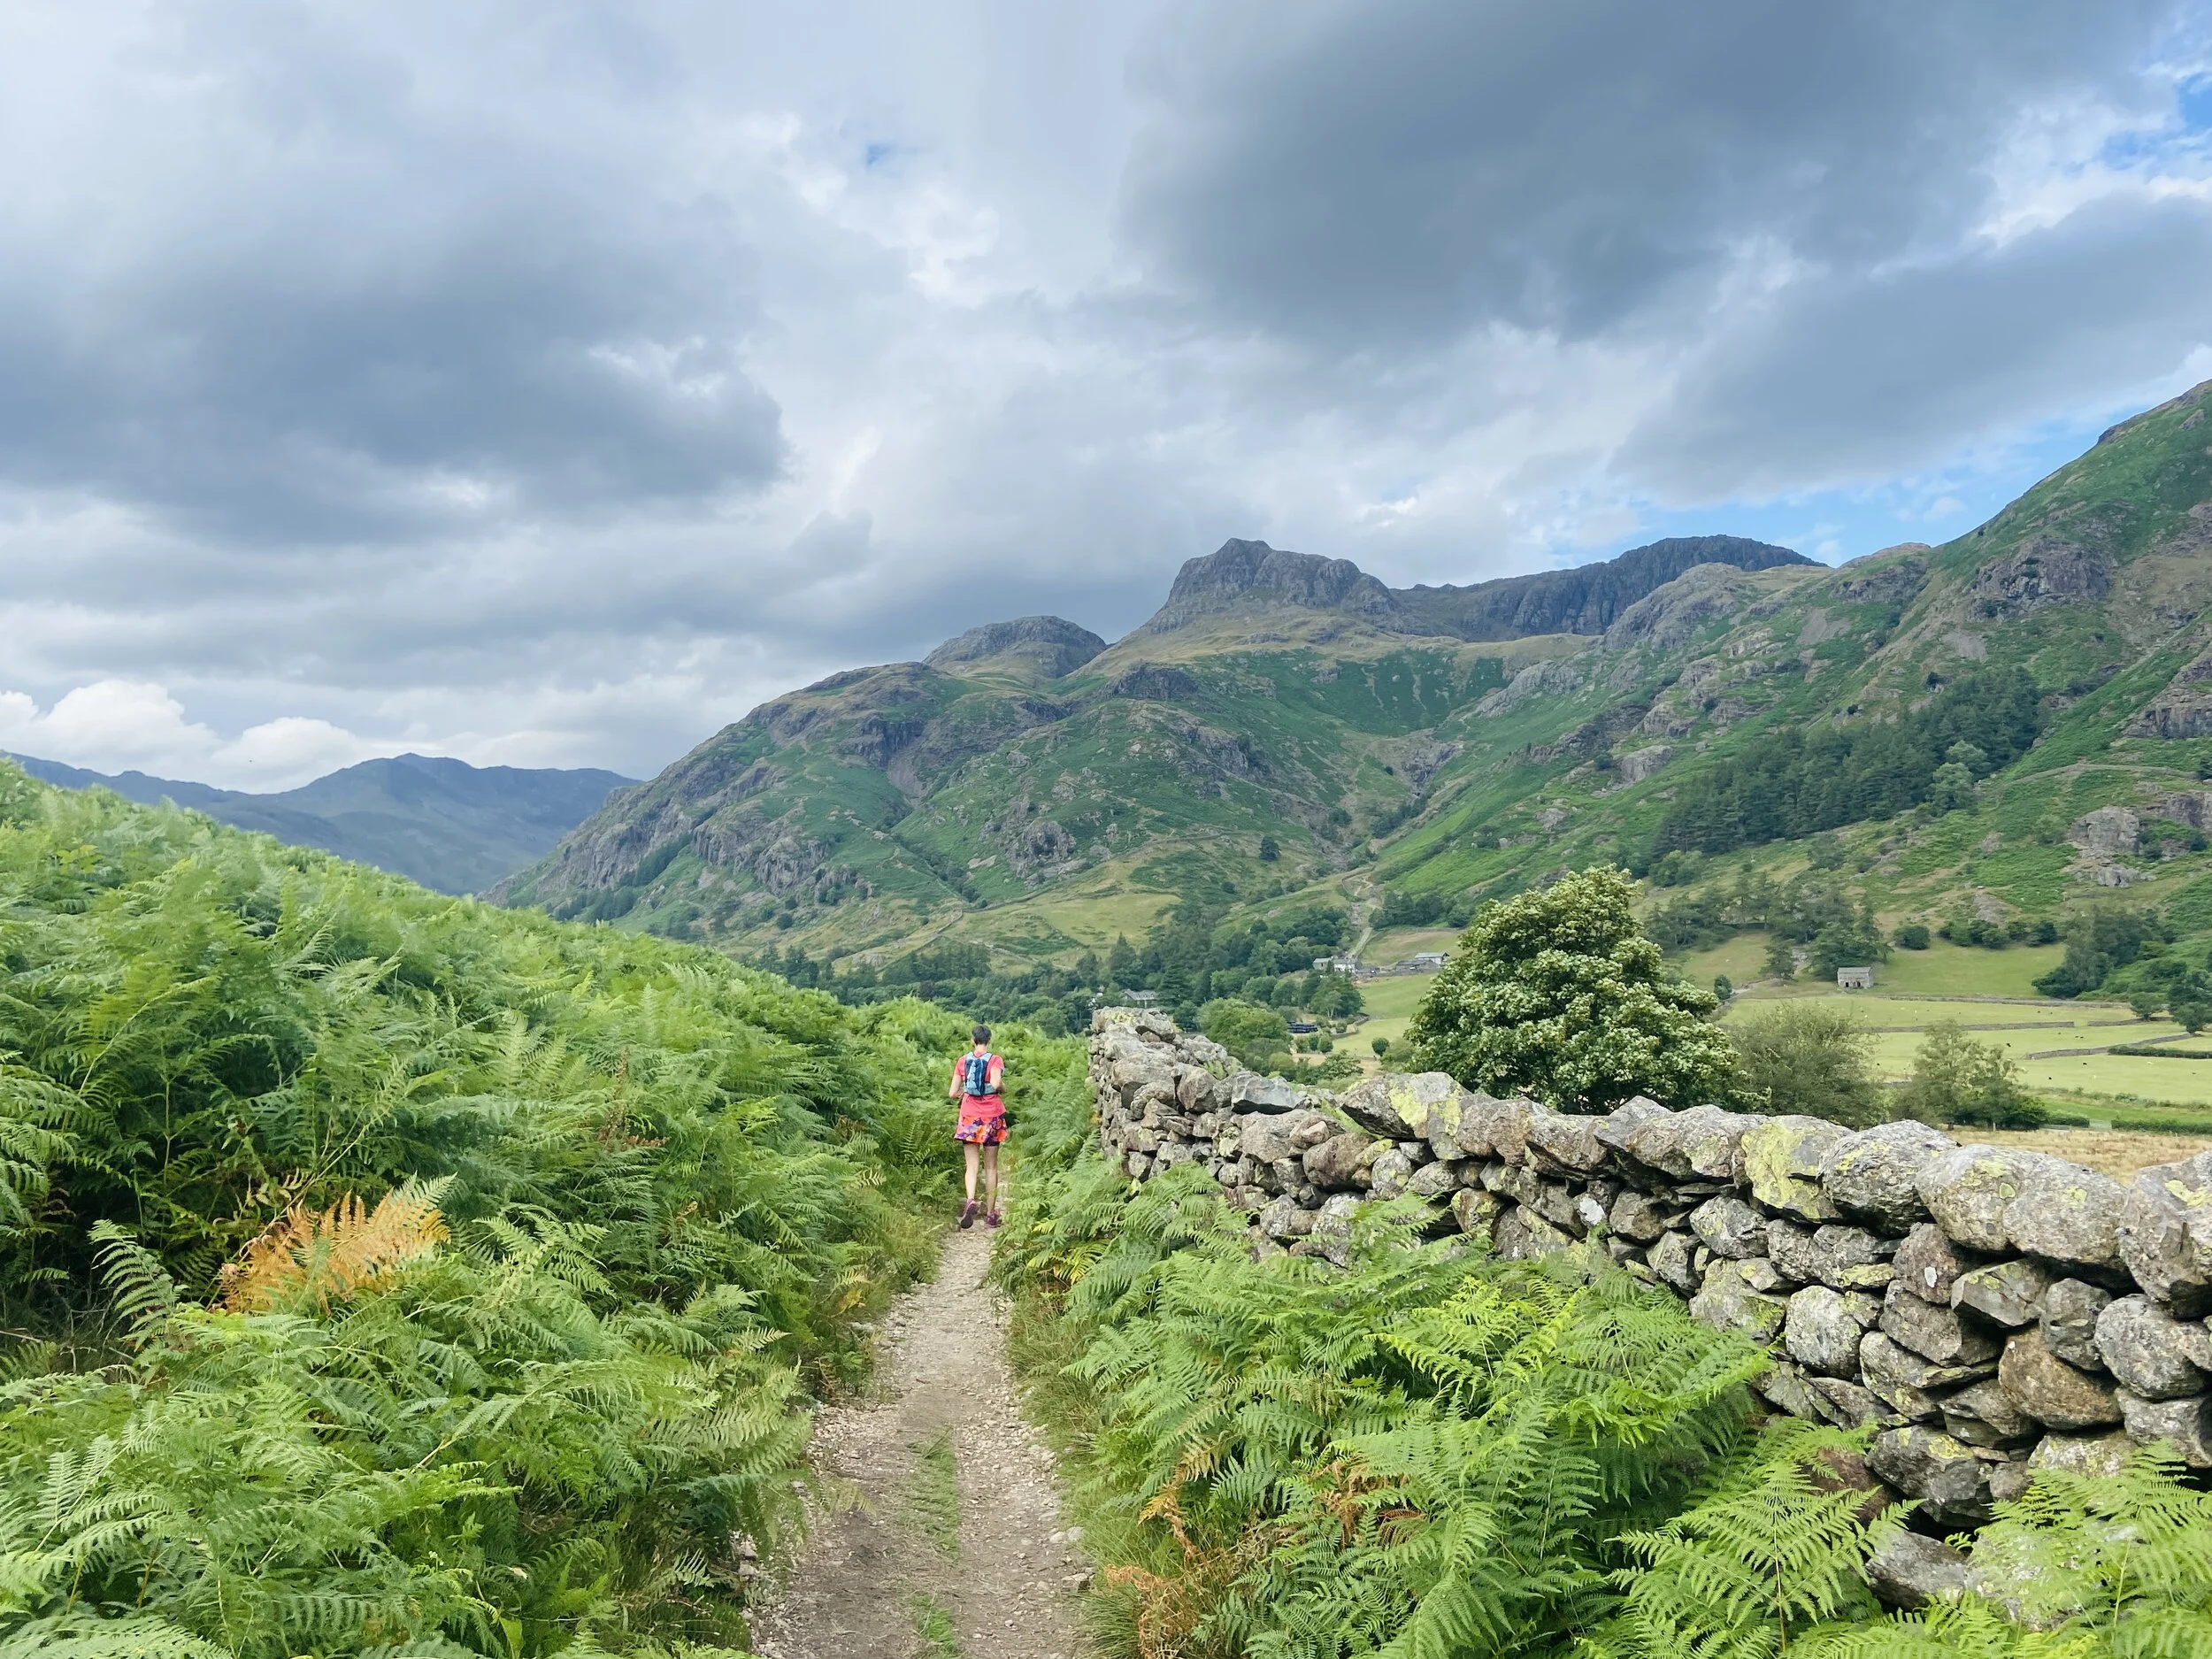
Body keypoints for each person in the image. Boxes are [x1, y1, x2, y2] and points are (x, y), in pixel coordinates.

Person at [949, 1024, 1006, 1228]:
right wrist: (1002, 1088)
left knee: (971, 1166)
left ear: (973, 1040)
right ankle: (991, 1215)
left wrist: (966, 1091)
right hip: (992, 1116)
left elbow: (952, 1092)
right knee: (991, 1166)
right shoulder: (995, 1060)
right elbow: (998, 1083)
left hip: (969, 1116)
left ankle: (971, 1199)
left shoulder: (963, 1061)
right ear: (989, 1041)